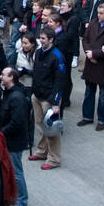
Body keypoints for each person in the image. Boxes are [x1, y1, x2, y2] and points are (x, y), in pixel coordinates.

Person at [29, 27, 71, 170]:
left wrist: (56, 102)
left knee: (51, 130)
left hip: (49, 98)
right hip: (37, 94)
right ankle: (41, 151)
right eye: (40, 38)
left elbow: (60, 81)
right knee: (40, 126)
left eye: (43, 38)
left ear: (51, 39)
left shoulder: (57, 56)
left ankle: (54, 158)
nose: (40, 41)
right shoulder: (39, 52)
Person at [0, 66, 31, 206]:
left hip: (14, 141)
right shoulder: (8, 93)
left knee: (16, 171)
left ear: (11, 78)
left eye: (3, 74)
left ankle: (22, 200)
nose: (0, 76)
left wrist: (0, 133)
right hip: (8, 139)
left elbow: (17, 122)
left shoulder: (16, 98)